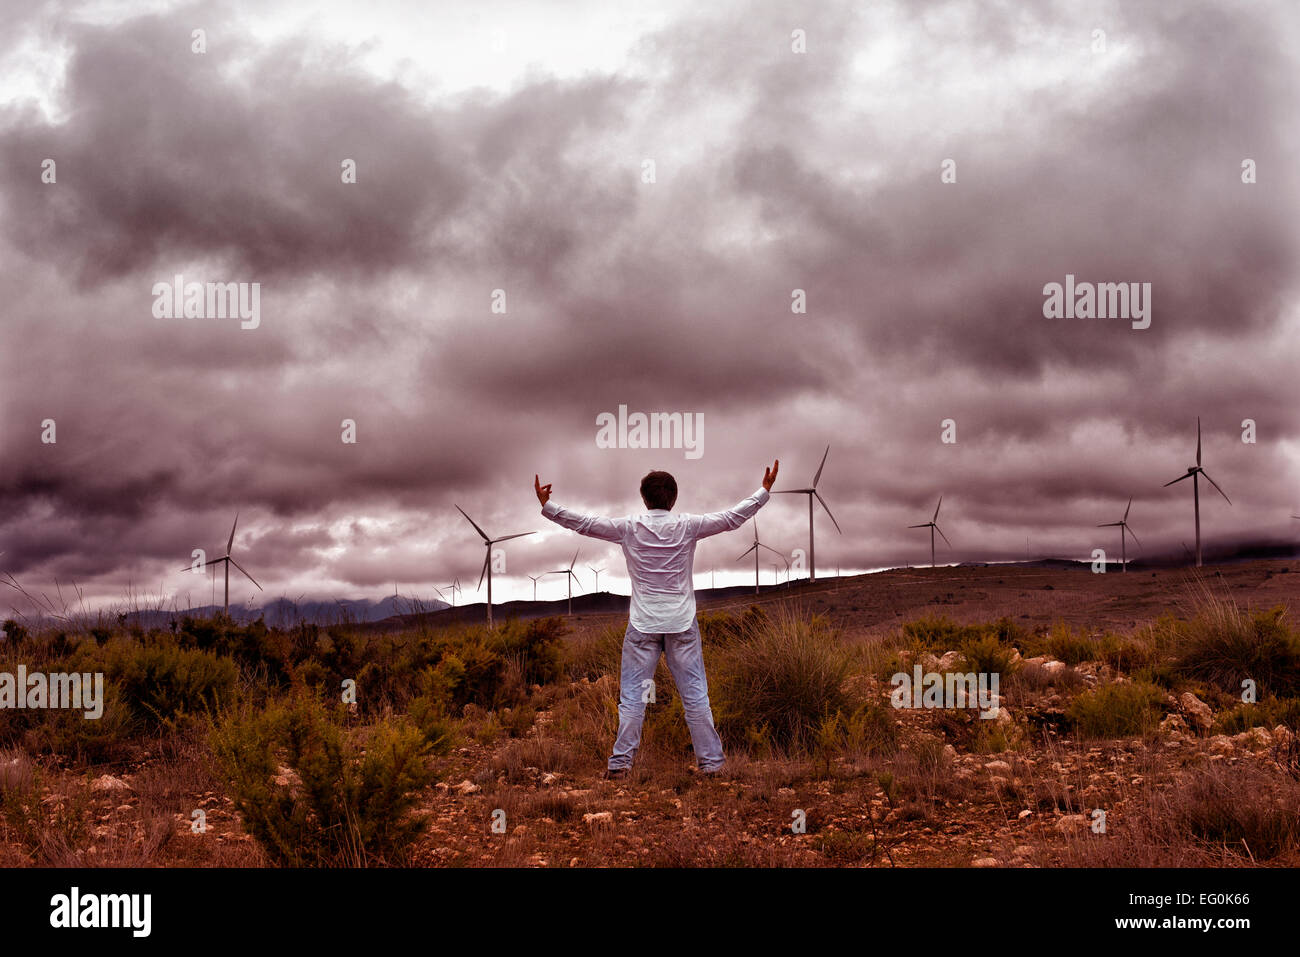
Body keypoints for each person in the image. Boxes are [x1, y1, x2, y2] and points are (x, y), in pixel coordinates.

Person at [533, 461, 779, 777]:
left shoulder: (628, 527)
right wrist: (763, 491)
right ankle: (712, 764)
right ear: (673, 499)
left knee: (633, 699)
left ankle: (621, 764)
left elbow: (585, 523)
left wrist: (548, 506)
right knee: (695, 696)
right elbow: (732, 519)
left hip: (643, 624)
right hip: (682, 622)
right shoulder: (688, 525)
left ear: (644, 498)